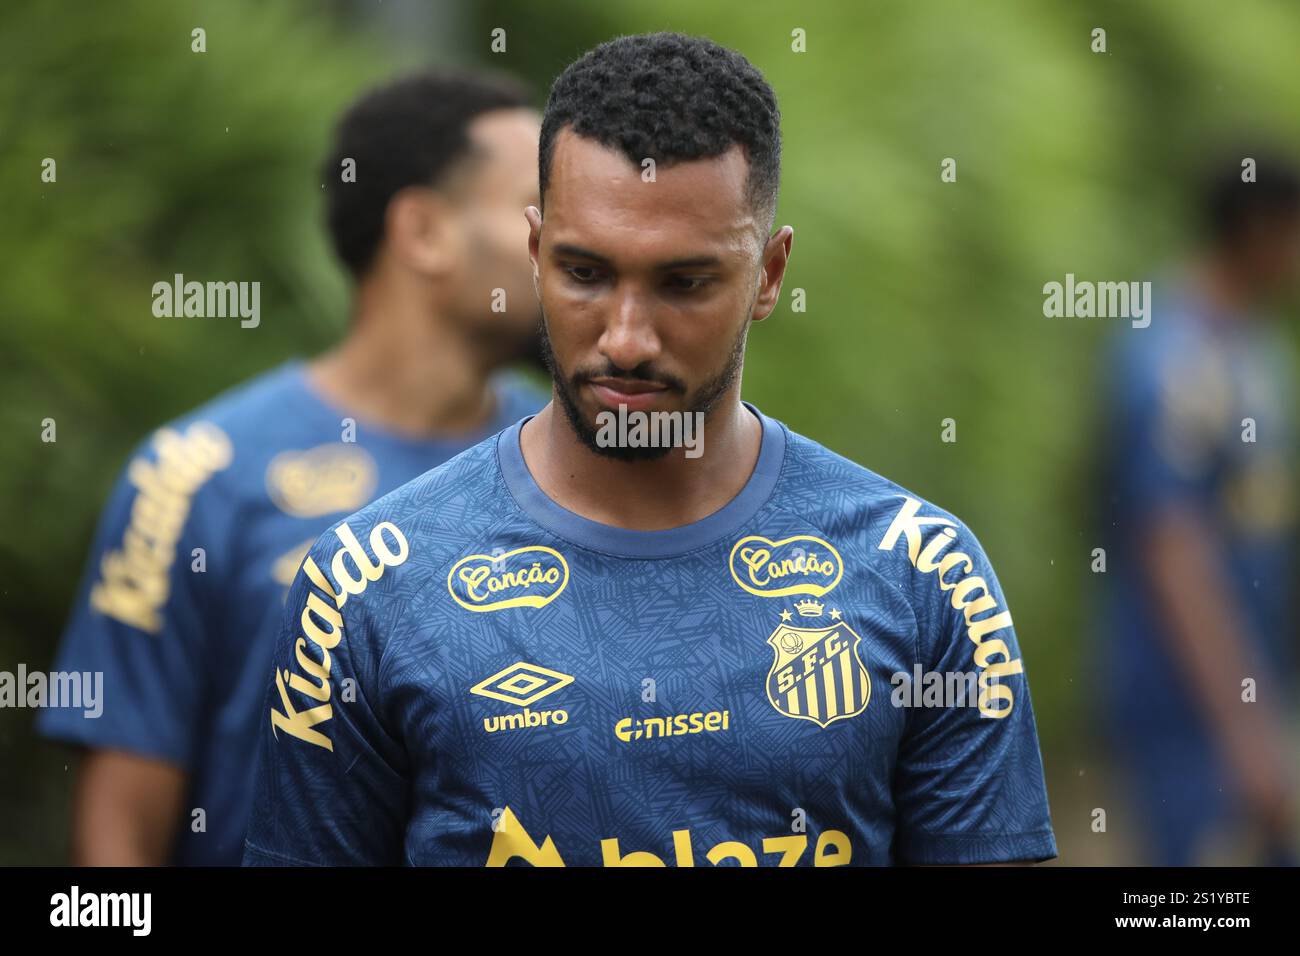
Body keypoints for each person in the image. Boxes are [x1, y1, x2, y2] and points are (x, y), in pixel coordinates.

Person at [244, 32, 1056, 867]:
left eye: (684, 283)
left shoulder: (921, 576)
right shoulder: (367, 591)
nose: (626, 340)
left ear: (770, 275)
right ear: (533, 252)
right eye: (585, 272)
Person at [38, 69, 548, 865]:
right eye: (534, 206)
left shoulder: (580, 460)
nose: (572, 238)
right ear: (423, 230)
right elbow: (118, 838)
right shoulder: (193, 475)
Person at [1099, 149, 1300, 865]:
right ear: (1260, 229)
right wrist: (1245, 732)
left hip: (1245, 690)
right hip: (1187, 706)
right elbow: (1173, 548)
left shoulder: (1251, 344)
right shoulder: (1176, 361)